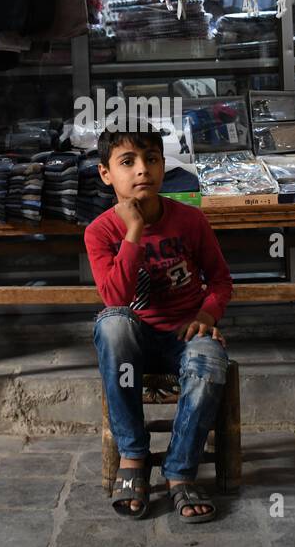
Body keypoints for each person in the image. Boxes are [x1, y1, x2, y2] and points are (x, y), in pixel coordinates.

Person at [84, 126, 233, 523]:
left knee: (210, 360)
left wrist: (206, 315)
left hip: (186, 334)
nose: (142, 170)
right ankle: (133, 456)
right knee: (111, 323)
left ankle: (179, 473)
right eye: (127, 162)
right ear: (105, 174)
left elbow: (220, 280)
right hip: (136, 341)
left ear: (164, 165)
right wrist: (133, 230)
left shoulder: (190, 220)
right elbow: (115, 298)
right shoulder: (99, 231)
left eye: (151, 159)